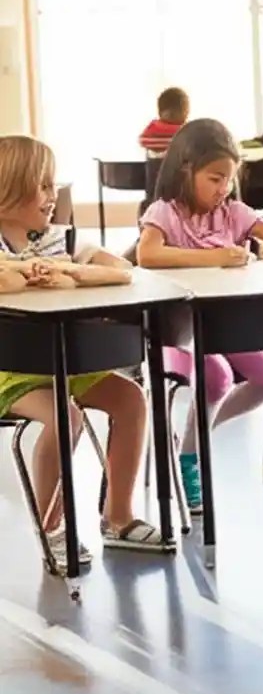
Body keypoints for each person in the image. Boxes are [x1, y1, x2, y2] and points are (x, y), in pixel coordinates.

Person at [0, 135, 165, 565]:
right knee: (65, 416)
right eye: (42, 187)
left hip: (63, 361)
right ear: (7, 190)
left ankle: (119, 518)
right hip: (9, 370)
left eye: (53, 186)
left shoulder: (62, 241)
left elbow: (122, 271)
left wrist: (67, 269)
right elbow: (8, 282)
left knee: (130, 399)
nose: (52, 197)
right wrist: (29, 271)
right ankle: (50, 527)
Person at [135, 119, 263, 514]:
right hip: (173, 335)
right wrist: (213, 257)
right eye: (214, 178)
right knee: (215, 375)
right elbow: (149, 254)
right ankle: (192, 458)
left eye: (228, 179)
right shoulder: (165, 213)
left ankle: (196, 440)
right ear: (185, 170)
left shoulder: (233, 213)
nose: (223, 188)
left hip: (225, 328)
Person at [139, 87, 189, 157]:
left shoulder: (153, 126)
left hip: (154, 166)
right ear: (186, 113)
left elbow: (142, 140)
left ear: (159, 112)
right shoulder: (187, 130)